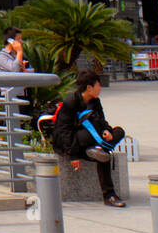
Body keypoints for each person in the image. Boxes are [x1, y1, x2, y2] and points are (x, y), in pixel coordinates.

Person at [50, 69, 128, 207]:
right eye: (98, 85)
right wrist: (73, 156)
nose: (100, 88)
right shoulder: (71, 101)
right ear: (89, 87)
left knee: (118, 133)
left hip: (93, 139)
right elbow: (64, 130)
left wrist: (106, 131)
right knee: (102, 152)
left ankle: (99, 151)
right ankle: (109, 195)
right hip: (75, 141)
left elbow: (102, 121)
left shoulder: (95, 101)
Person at [0, 26, 35, 128]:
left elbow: (31, 71)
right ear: (11, 41)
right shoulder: (2, 56)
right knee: (13, 126)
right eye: (19, 39)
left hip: (23, 94)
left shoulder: (21, 55)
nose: (21, 42)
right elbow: (15, 70)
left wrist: (24, 69)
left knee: (24, 125)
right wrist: (20, 52)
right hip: (10, 96)